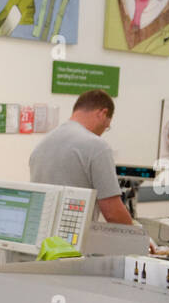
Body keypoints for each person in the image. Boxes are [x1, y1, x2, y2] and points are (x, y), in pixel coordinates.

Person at [29, 90, 137, 226]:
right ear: (102, 113)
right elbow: (112, 213)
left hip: (42, 238)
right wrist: (138, 237)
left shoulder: (42, 144)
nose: (103, 131)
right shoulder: (97, 146)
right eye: (106, 126)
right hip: (72, 241)